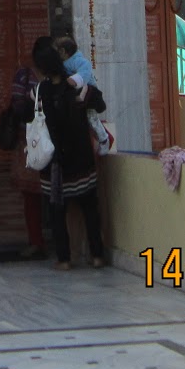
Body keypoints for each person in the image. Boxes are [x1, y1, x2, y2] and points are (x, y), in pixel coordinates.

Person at [30, 35, 107, 271]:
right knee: (90, 209)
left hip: (54, 161)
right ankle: (97, 256)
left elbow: (24, 114)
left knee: (57, 213)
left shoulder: (39, 92)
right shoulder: (78, 87)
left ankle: (64, 259)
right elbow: (100, 105)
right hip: (81, 158)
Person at [7, 59, 46, 259]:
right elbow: (18, 108)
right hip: (30, 141)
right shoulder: (24, 76)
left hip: (49, 141)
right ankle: (36, 240)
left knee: (51, 196)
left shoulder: (62, 76)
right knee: (32, 196)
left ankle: (51, 242)